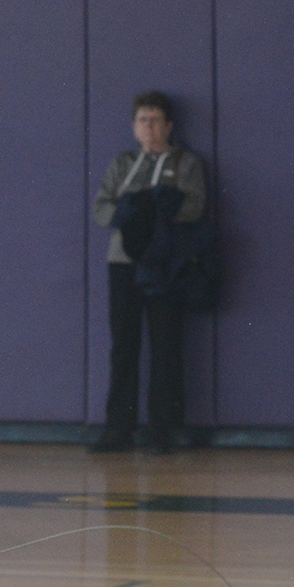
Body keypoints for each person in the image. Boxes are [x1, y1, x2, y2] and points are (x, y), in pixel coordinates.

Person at [91, 89, 206, 454]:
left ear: (169, 125)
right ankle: (118, 428)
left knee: (165, 346)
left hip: (165, 266)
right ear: (134, 126)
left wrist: (159, 210)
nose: (150, 127)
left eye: (156, 120)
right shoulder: (123, 164)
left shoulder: (185, 162)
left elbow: (194, 206)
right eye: (143, 120)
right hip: (123, 264)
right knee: (124, 345)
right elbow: (101, 208)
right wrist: (131, 217)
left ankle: (163, 428)